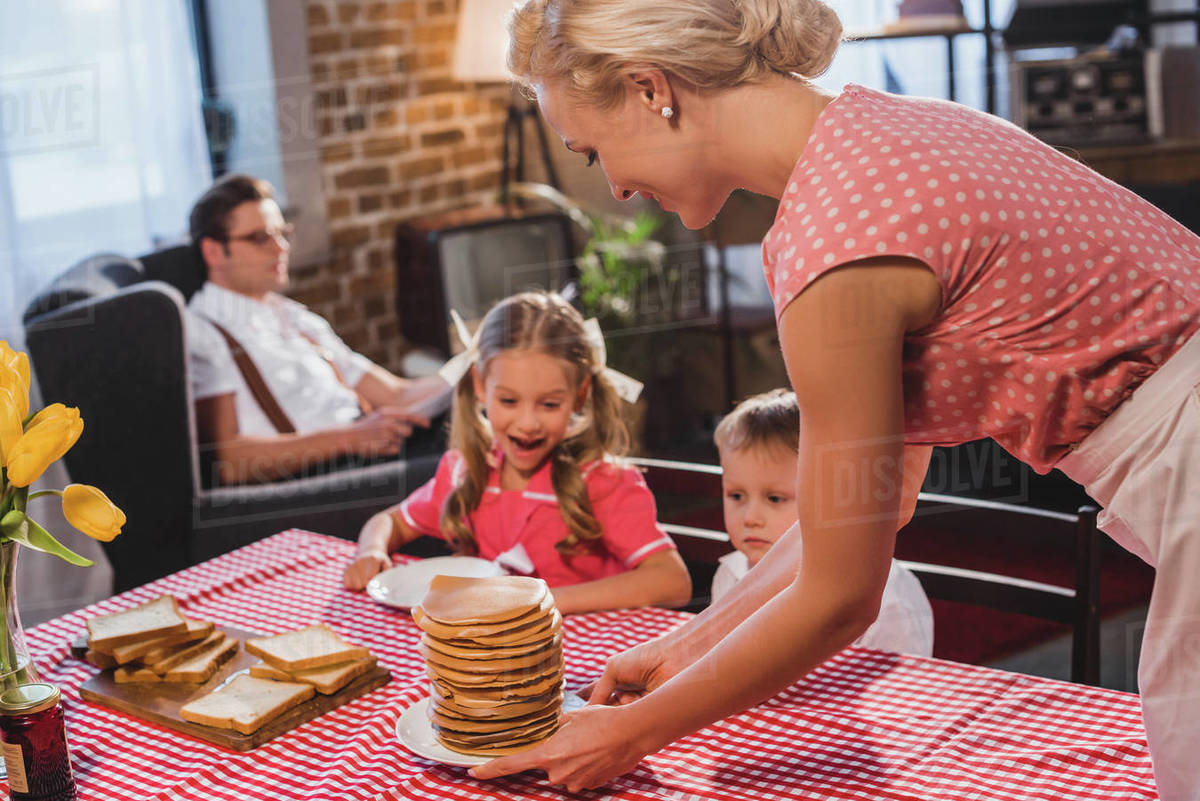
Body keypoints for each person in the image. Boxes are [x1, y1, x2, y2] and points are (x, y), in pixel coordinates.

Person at [468, 1, 1200, 798]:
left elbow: (843, 593)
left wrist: (629, 734)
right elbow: (864, 507)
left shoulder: (834, 244)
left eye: (591, 150)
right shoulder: (888, 133)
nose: (613, 183)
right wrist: (693, 642)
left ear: (652, 89)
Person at [342, 291, 693, 615]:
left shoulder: (601, 481)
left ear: (580, 395)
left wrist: (542, 602)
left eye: (550, 404)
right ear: (480, 386)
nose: (528, 423)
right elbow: (388, 521)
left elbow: (673, 582)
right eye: (509, 401)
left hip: (581, 660)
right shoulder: (465, 471)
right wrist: (371, 551)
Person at [186, 174, 451, 485]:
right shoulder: (202, 331)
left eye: (283, 233)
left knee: (486, 420)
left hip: (374, 448)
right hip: (322, 479)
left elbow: (396, 394)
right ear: (213, 252)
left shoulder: (292, 314)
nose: (280, 247)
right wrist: (350, 438)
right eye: (261, 238)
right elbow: (229, 461)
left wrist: (473, 373)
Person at [712, 389, 933, 655]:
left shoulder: (881, 591)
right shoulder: (731, 574)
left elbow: (900, 684)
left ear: (831, 496)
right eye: (736, 495)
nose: (750, 518)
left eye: (775, 498)